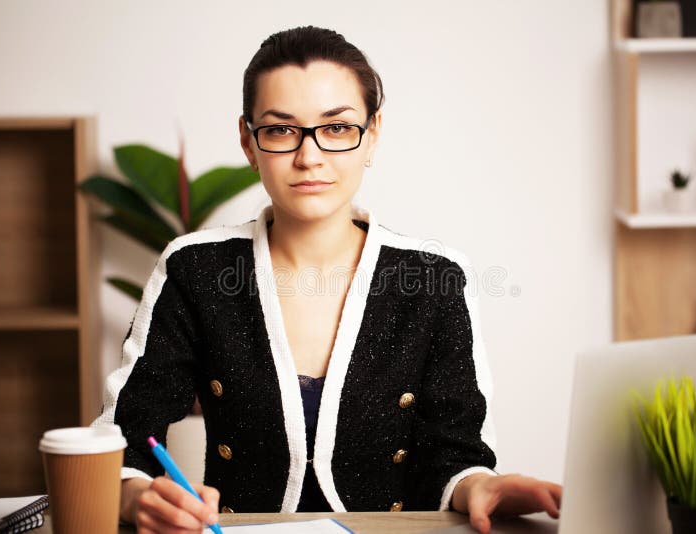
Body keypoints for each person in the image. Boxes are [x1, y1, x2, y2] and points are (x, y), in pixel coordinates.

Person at [91, 25, 562, 534]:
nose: (309, 156)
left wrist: (478, 484)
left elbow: (453, 455)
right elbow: (124, 439)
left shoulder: (433, 278)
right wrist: (137, 495)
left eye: (336, 128)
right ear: (249, 142)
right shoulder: (195, 269)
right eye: (280, 129)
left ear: (372, 134)